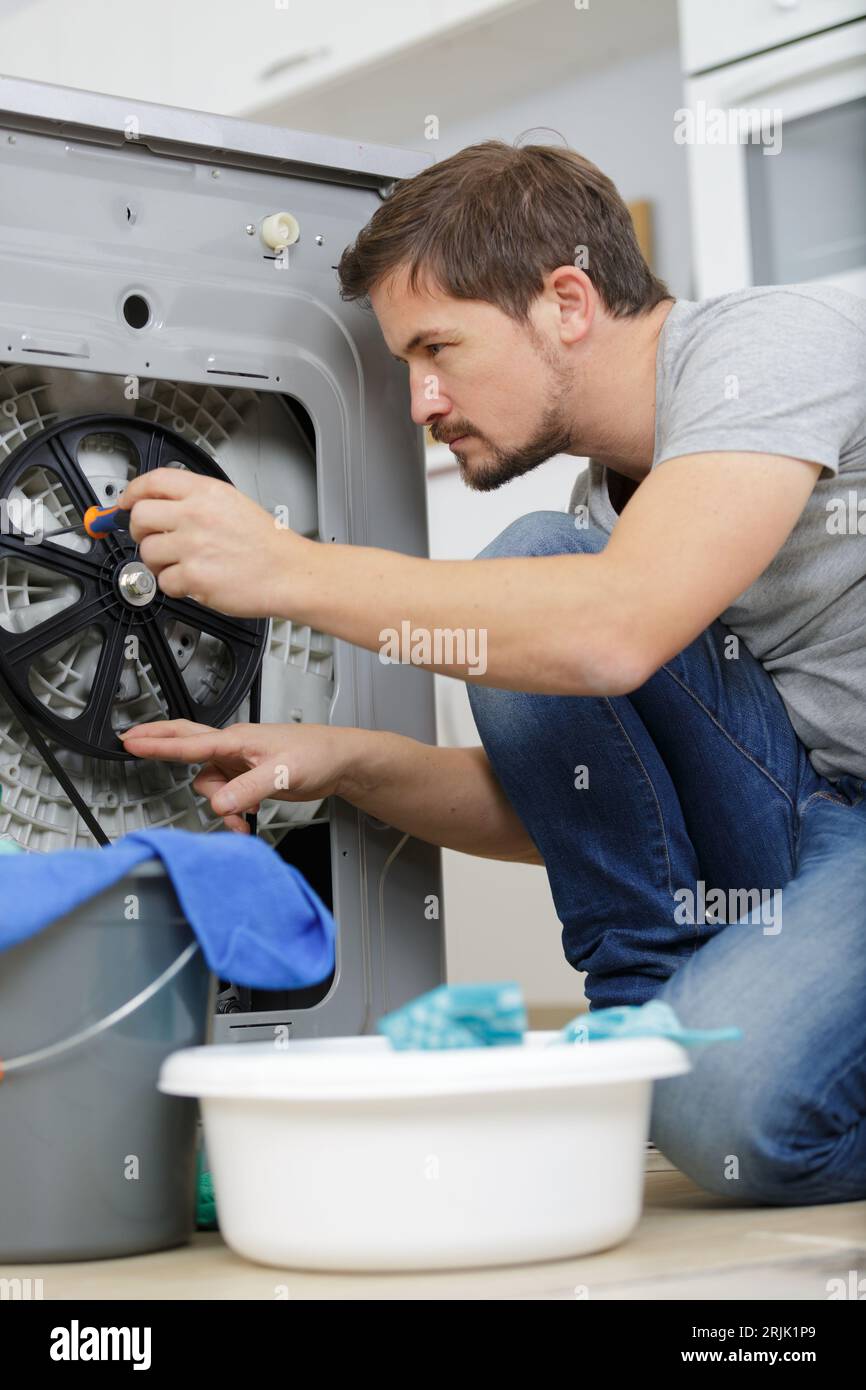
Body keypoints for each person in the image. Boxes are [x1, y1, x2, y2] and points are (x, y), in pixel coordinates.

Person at [117, 140, 866, 1208]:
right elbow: (579, 811)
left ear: (565, 301)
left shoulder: (768, 349)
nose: (421, 401)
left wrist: (285, 569)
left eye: (437, 349)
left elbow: (610, 630)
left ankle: (669, 1064)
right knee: (530, 583)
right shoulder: (599, 518)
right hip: (813, 818)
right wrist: (336, 761)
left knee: (732, 1109)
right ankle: (640, 1031)